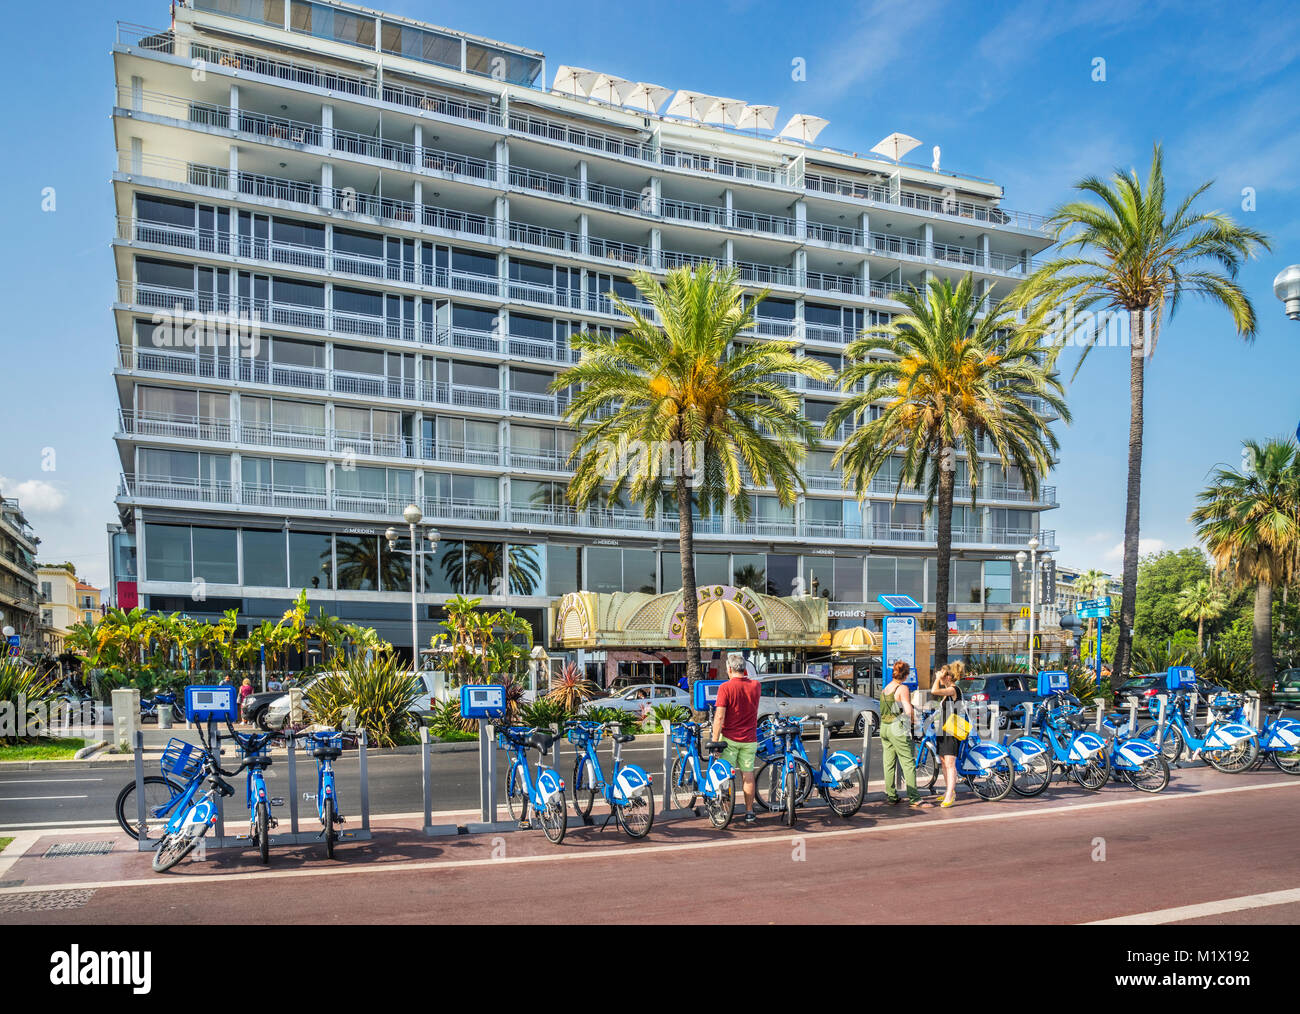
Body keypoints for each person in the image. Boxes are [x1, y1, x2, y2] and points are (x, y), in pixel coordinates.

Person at [712, 651, 761, 825]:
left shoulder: (725, 687)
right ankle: (749, 812)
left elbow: (719, 717)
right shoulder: (756, 686)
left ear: (729, 669)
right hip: (750, 739)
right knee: (748, 776)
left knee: (726, 778)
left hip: (730, 739)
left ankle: (725, 812)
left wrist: (715, 740)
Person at [880, 659, 921, 806]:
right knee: (908, 762)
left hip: (884, 727)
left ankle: (891, 796)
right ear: (905, 675)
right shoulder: (902, 689)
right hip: (896, 727)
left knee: (889, 763)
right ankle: (914, 798)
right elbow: (908, 710)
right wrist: (915, 723)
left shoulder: (886, 689)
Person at [930, 661, 966, 807]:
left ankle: (950, 795)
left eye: (944, 676)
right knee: (944, 762)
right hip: (943, 729)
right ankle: (948, 790)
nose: (941, 678)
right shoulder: (948, 692)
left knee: (950, 763)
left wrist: (937, 678)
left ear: (949, 677)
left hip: (952, 730)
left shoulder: (953, 689)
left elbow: (933, 691)